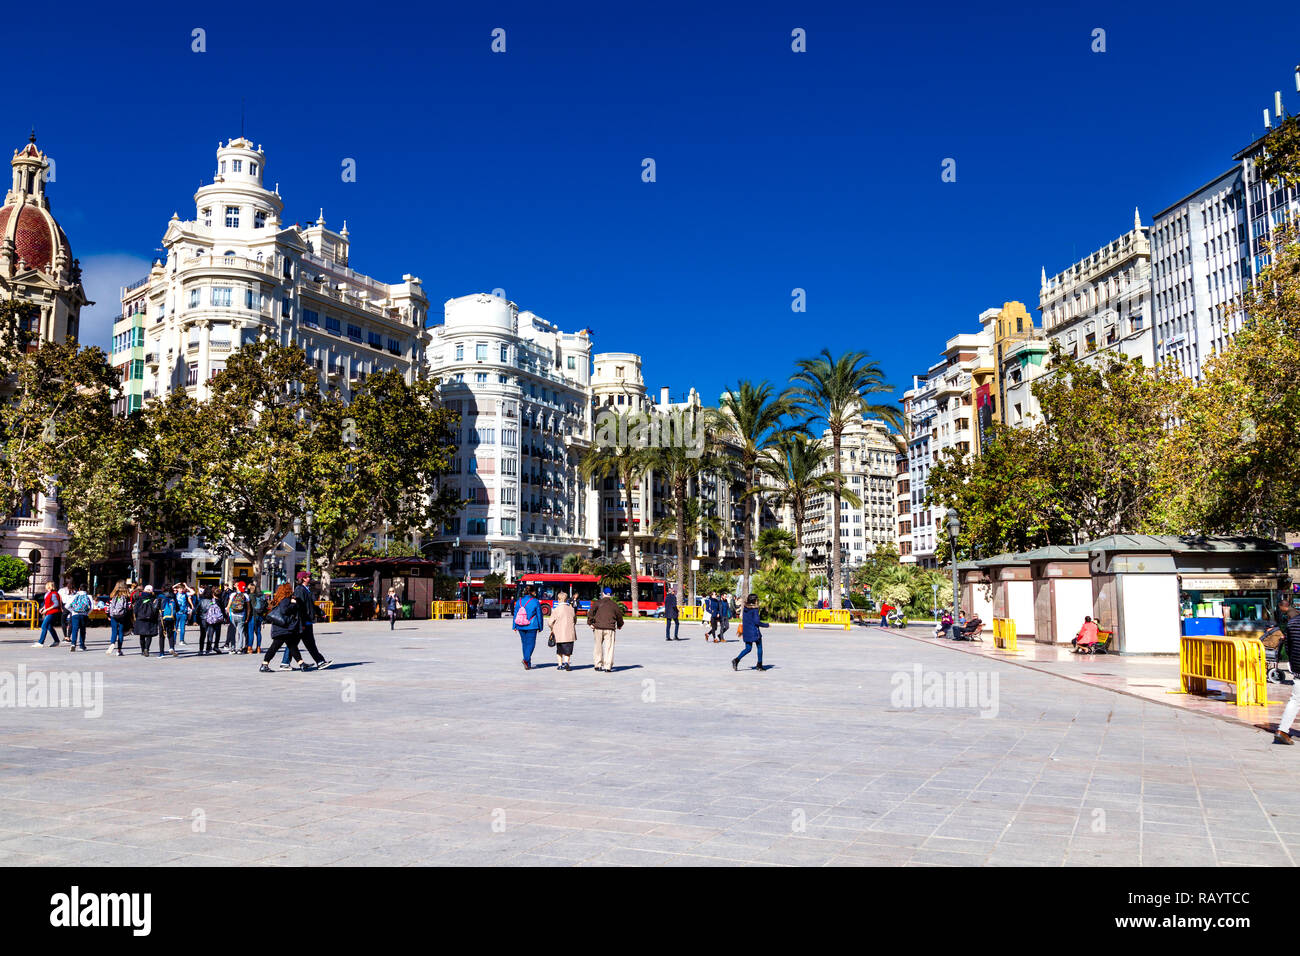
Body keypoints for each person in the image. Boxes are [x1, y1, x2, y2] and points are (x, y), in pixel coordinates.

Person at [259, 583, 310, 672]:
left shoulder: (279, 599)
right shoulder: (286, 599)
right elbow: (284, 610)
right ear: (287, 590)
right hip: (283, 628)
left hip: (280, 628)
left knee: (292, 646)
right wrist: (294, 604)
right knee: (276, 647)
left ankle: (301, 663)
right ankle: (264, 664)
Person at [293, 572, 332, 669]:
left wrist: (321, 613)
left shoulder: (307, 589)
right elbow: (300, 607)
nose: (309, 578)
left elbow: (311, 605)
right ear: (302, 579)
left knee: (293, 643)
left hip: (307, 620)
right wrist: (301, 621)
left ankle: (284, 663)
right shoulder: (299, 590)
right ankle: (320, 661)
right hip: (304, 621)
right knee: (309, 643)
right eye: (307, 577)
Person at [588, 586, 624, 672]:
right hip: (610, 628)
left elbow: (591, 613)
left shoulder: (597, 603)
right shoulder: (614, 605)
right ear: (611, 595)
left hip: (598, 627)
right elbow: (619, 616)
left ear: (603, 593)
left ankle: (598, 664)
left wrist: (590, 623)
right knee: (609, 647)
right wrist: (619, 625)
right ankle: (607, 666)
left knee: (598, 646)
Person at [732, 593, 769, 671]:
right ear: (755, 600)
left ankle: (736, 660)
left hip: (747, 632)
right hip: (754, 632)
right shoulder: (755, 609)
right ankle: (759, 665)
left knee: (748, 648)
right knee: (759, 648)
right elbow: (757, 622)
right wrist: (766, 625)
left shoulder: (745, 608)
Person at [512, 585, 542, 670]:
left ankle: (528, 664)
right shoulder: (535, 601)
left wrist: (514, 626)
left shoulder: (519, 601)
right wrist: (540, 626)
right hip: (532, 626)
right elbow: (539, 615)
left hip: (520, 625)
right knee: (531, 644)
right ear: (532, 592)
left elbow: (515, 614)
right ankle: (526, 659)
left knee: (524, 644)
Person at [549, 590, 577, 671]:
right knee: (568, 650)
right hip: (569, 633)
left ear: (558, 599)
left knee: (559, 650)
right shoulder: (571, 609)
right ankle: (566, 662)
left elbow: (550, 622)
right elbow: (575, 620)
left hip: (559, 633)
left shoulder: (556, 609)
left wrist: (552, 628)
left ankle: (560, 665)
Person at [132, 584, 161, 657]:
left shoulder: (139, 598)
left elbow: (135, 609)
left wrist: (136, 616)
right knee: (149, 635)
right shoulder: (153, 598)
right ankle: (146, 649)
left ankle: (142, 650)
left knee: (142, 635)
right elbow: (156, 609)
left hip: (140, 619)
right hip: (150, 619)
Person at [197, 586, 224, 655]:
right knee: (210, 635)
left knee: (202, 635)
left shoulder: (201, 601)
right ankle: (208, 649)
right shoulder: (213, 601)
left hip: (203, 618)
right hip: (211, 619)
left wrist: (197, 619)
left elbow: (196, 610)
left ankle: (200, 650)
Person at [33, 581, 61, 648]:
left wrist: (46, 609)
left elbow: (56, 604)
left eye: (46, 585)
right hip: (49, 612)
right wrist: (43, 608)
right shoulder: (48, 593)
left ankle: (41, 642)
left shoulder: (54, 594)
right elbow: (48, 603)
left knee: (44, 626)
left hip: (53, 612)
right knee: (49, 627)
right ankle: (56, 641)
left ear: (49, 586)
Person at [226, 580, 251, 653]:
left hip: (233, 615)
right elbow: (248, 608)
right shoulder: (246, 595)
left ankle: (232, 648)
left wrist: (229, 615)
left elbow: (228, 606)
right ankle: (240, 648)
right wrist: (247, 617)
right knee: (240, 632)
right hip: (241, 616)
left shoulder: (233, 595)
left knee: (232, 632)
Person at [249, 588, 267, 652]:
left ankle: (250, 648)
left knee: (251, 632)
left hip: (253, 616)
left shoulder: (252, 596)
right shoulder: (263, 597)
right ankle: (258, 648)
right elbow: (266, 607)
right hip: (260, 616)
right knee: (258, 632)